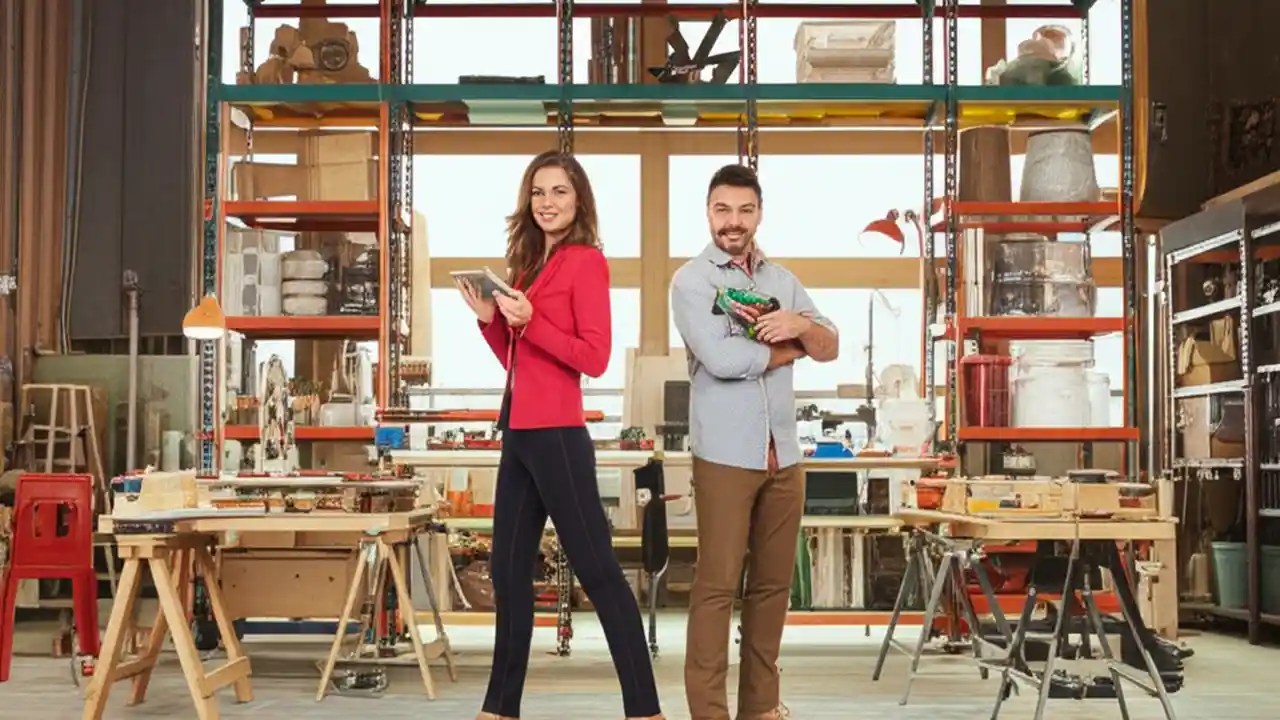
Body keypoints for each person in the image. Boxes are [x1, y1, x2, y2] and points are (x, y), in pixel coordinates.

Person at [456, 150, 664, 720]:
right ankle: (499, 709)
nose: (547, 203)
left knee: (597, 570)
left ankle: (646, 710)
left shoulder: (586, 263)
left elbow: (592, 358)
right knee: (507, 573)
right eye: (539, 192)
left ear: (579, 202)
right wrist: (490, 322)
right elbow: (517, 361)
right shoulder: (527, 268)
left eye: (560, 193)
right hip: (520, 432)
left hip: (559, 435)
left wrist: (530, 322)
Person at [671, 164, 839, 720]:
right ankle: (710, 713)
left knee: (771, 590)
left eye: (745, 210)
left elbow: (830, 343)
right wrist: (795, 347)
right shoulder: (693, 281)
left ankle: (760, 707)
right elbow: (721, 360)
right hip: (724, 456)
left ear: (759, 213)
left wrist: (799, 325)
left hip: (784, 456)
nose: (733, 222)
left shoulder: (782, 283)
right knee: (716, 588)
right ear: (708, 213)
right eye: (723, 210)